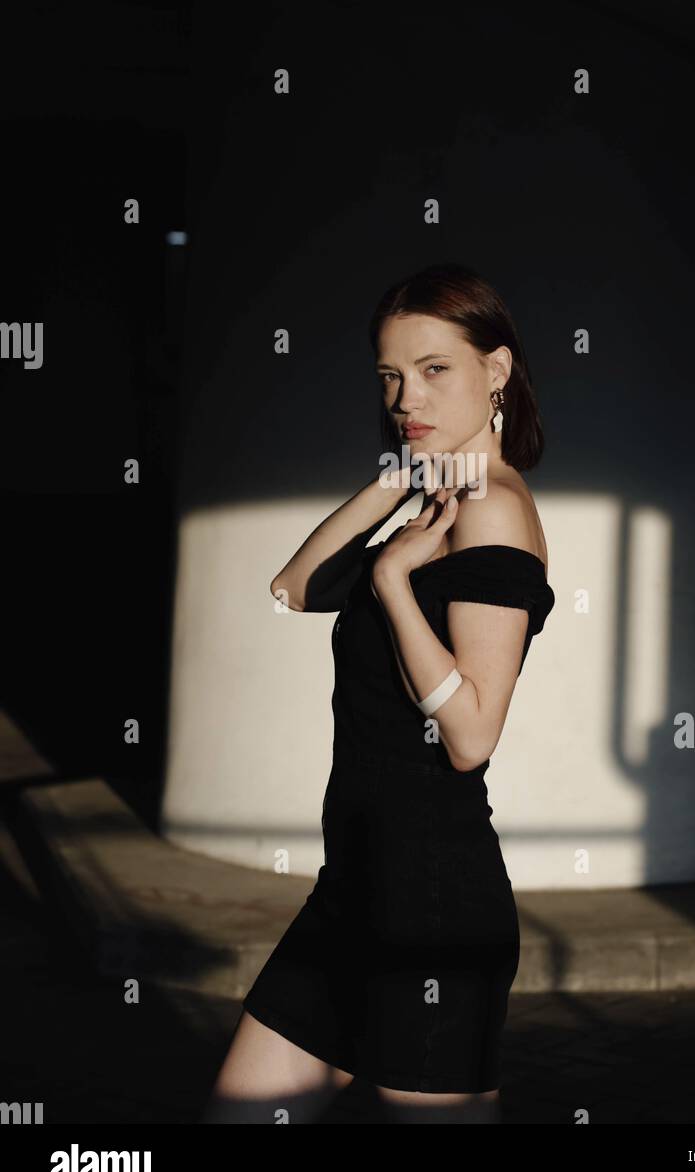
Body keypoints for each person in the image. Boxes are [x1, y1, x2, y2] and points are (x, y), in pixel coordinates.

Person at [200, 263, 555, 1124]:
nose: (407, 397)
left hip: (431, 913)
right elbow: (293, 587)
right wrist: (391, 485)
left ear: (495, 371)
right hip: (353, 891)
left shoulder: (493, 512)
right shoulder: (430, 500)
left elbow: (471, 734)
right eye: (392, 376)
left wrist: (395, 582)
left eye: (435, 370)